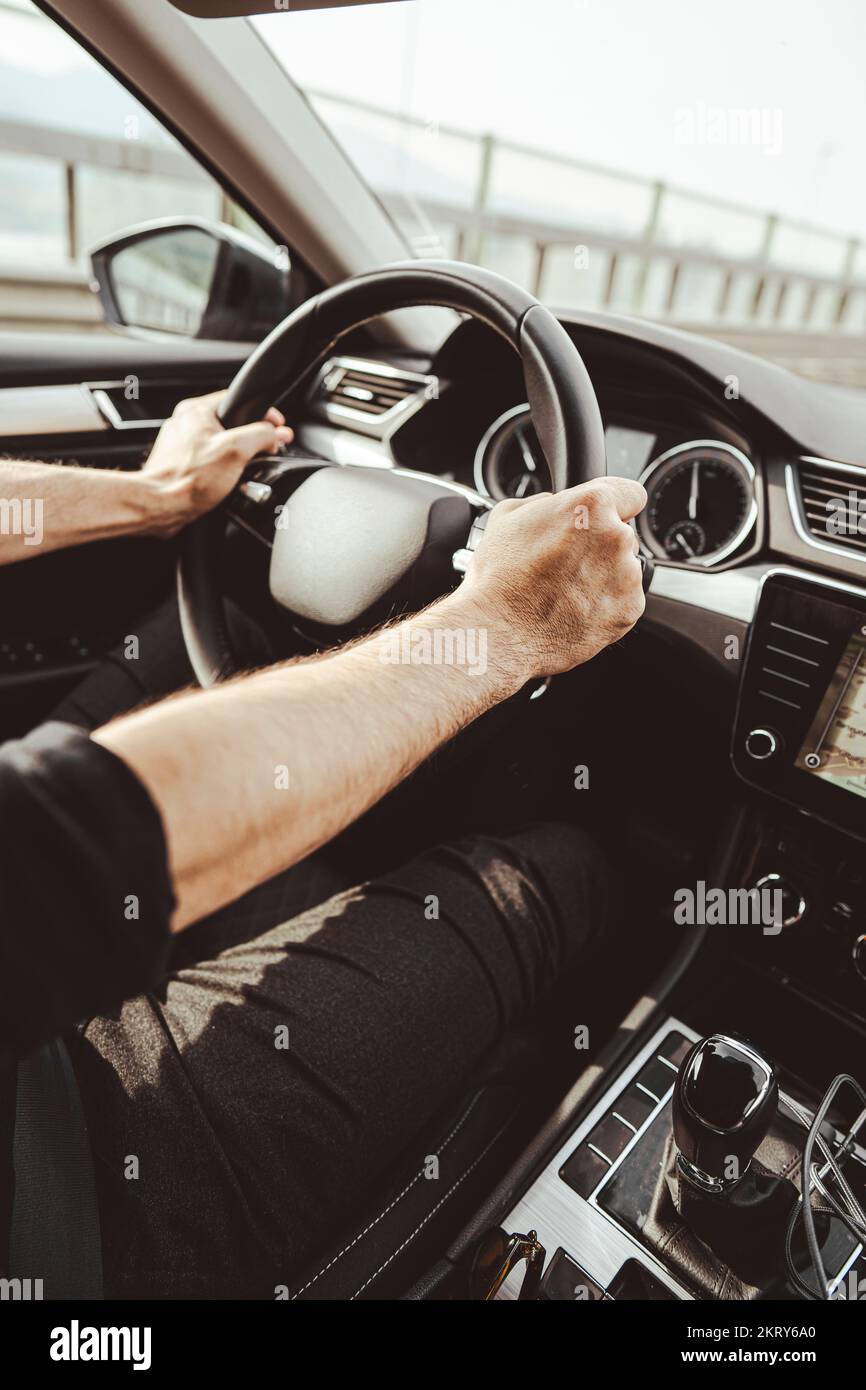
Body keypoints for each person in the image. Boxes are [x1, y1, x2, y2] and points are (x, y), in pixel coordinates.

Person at [0, 391, 646, 1298]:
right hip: (68, 1181)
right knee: (557, 872)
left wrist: (161, 496)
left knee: (225, 638)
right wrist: (501, 626)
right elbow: (66, 851)